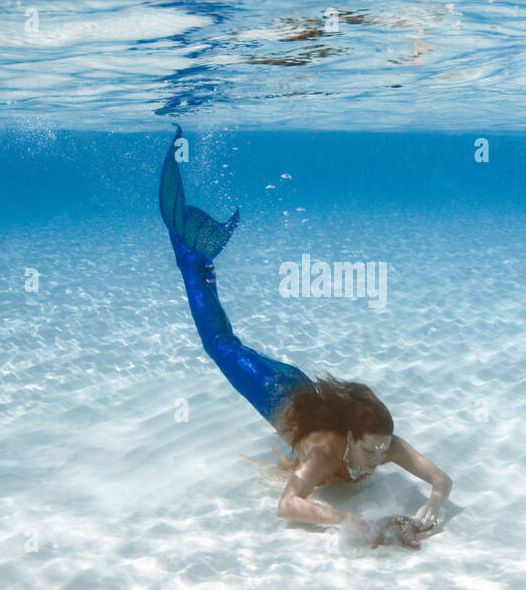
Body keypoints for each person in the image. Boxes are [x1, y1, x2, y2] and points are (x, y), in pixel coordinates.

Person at [158, 125, 452, 542]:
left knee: (228, 341)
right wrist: (355, 522)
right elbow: (288, 506)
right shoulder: (325, 451)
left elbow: (442, 481)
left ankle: (200, 259)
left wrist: (433, 503)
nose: (378, 459)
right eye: (369, 450)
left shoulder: (384, 445)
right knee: (220, 344)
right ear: (349, 438)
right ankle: (191, 257)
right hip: (277, 391)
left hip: (304, 391)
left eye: (383, 449)